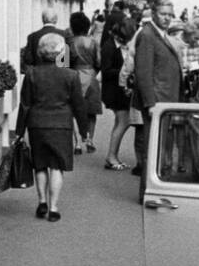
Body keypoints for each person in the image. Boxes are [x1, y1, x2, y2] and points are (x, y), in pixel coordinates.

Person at [14, 32, 87, 223]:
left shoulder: (31, 74)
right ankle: (54, 207)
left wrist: (19, 132)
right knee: (56, 166)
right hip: (61, 126)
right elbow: (79, 105)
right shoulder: (71, 75)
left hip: (37, 125)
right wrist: (84, 131)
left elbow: (25, 105)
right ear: (61, 51)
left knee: (40, 164)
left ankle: (41, 201)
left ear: (40, 51)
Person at [132, 0, 183, 184]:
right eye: (163, 14)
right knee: (154, 149)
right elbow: (143, 72)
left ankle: (158, 186)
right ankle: (149, 189)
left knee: (160, 147)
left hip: (165, 101)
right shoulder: (147, 35)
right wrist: (150, 103)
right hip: (157, 102)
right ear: (154, 14)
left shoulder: (158, 34)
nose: (167, 18)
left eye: (170, 15)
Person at [100, 15, 137, 170]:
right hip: (114, 91)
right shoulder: (109, 47)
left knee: (120, 123)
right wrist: (125, 71)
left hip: (118, 90)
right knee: (124, 122)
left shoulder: (117, 45)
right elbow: (106, 71)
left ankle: (113, 156)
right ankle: (111, 156)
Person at [68, 11, 101, 153]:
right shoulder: (93, 42)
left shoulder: (68, 43)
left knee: (74, 112)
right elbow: (99, 62)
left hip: (74, 77)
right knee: (91, 112)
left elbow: (62, 64)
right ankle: (89, 139)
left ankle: (77, 143)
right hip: (91, 76)